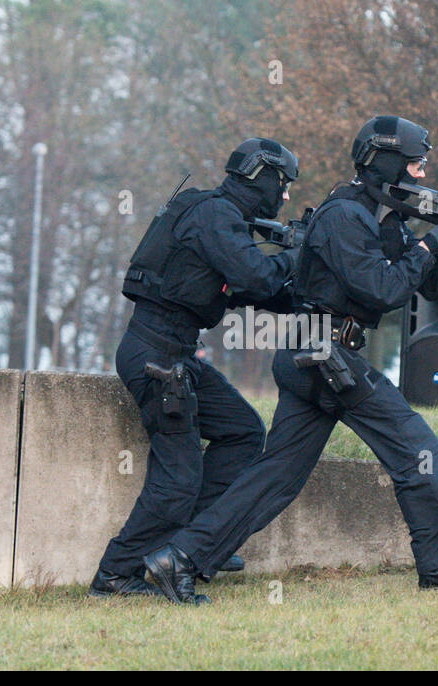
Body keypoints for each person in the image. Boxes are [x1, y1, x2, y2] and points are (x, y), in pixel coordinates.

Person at [143, 116, 438, 604]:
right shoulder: (343, 216)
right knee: (415, 446)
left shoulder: (381, 220)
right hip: (322, 354)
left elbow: (430, 285)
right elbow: (384, 289)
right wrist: (428, 246)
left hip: (318, 356)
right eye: (416, 165)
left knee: (274, 480)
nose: (422, 175)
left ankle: (178, 559)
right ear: (388, 163)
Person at [90, 138, 302, 599]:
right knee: (178, 481)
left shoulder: (220, 218)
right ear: (261, 176)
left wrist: (297, 289)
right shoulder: (216, 215)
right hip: (157, 354)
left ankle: (193, 545)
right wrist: (296, 256)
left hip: (174, 351)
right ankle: (114, 576)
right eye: (282, 184)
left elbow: (247, 288)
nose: (284, 196)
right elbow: (256, 276)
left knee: (243, 431)